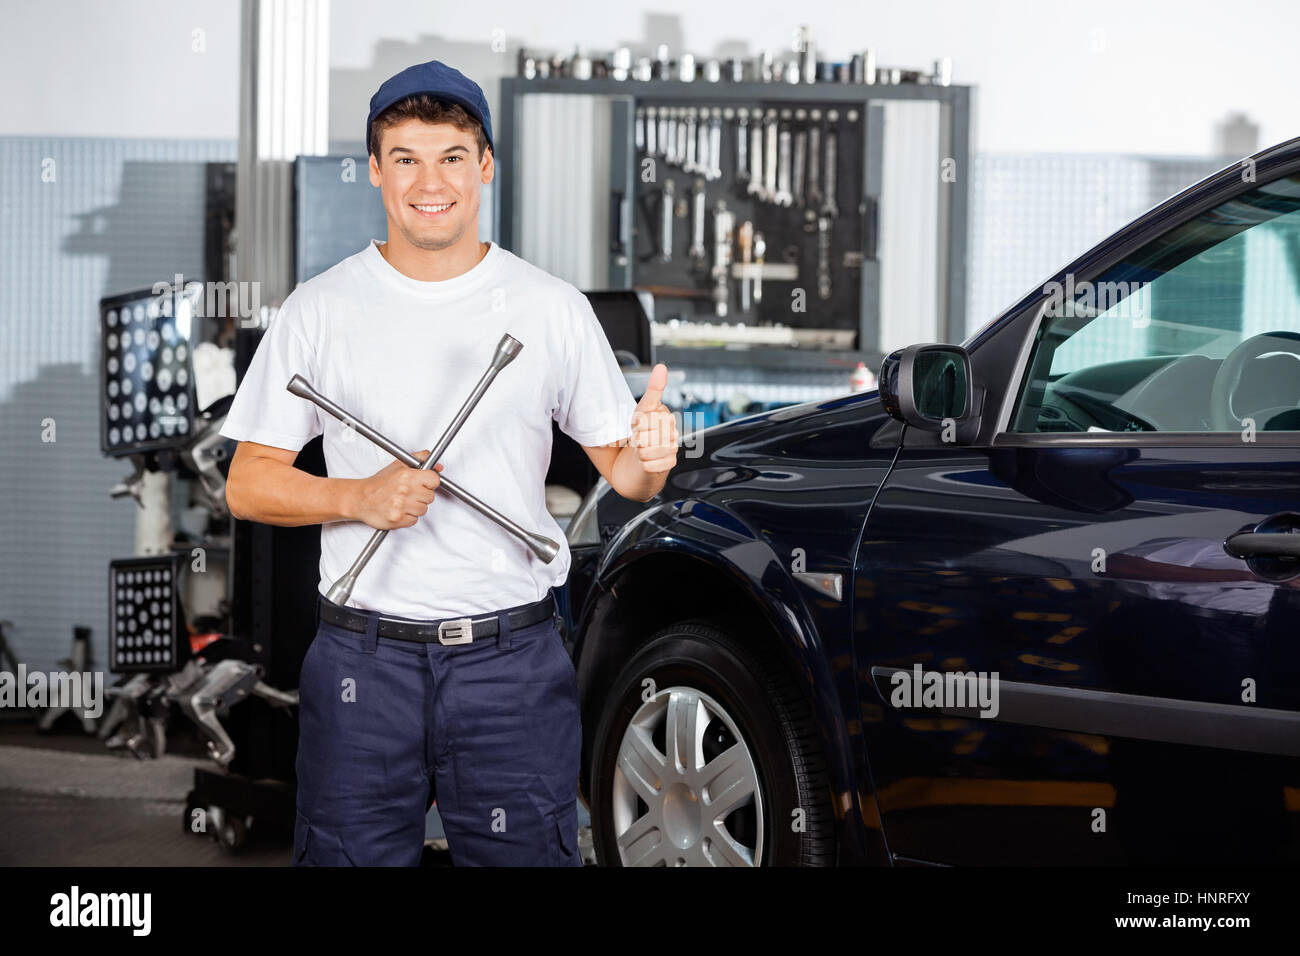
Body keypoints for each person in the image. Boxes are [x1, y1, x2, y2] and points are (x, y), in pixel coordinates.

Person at [219, 59, 679, 866]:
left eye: (452, 157)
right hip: (363, 666)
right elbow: (248, 484)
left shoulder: (550, 309)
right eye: (406, 158)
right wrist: (359, 496)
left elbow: (628, 478)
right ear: (375, 169)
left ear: (484, 165)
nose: (430, 182)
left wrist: (652, 456)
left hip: (511, 666)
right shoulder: (319, 310)